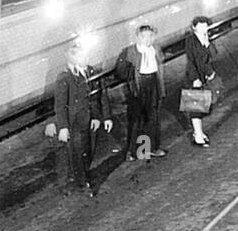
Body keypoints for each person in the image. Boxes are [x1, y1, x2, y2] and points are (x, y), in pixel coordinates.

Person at [53, 37, 113, 195]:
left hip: (89, 120)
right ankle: (82, 183)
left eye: (86, 56)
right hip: (74, 124)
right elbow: (60, 105)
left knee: (89, 150)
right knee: (78, 153)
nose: (86, 59)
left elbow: (100, 96)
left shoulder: (91, 72)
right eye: (82, 57)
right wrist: (63, 127)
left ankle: (83, 175)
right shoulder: (65, 78)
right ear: (72, 58)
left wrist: (103, 117)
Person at [115, 23, 167, 161]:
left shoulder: (155, 48)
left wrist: (160, 89)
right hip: (139, 86)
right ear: (138, 37)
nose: (148, 39)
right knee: (136, 119)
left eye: (151, 36)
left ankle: (152, 148)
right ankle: (132, 151)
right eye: (145, 37)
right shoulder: (129, 51)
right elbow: (121, 71)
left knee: (153, 117)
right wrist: (131, 78)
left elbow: (160, 67)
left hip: (153, 83)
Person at [184, 15, 219, 147]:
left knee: (202, 106)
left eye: (205, 26)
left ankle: (198, 132)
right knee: (195, 107)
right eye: (200, 26)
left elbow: (214, 55)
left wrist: (208, 43)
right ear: (194, 28)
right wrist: (195, 78)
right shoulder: (190, 40)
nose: (204, 28)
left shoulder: (206, 39)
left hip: (204, 76)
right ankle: (198, 135)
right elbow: (190, 61)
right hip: (194, 77)